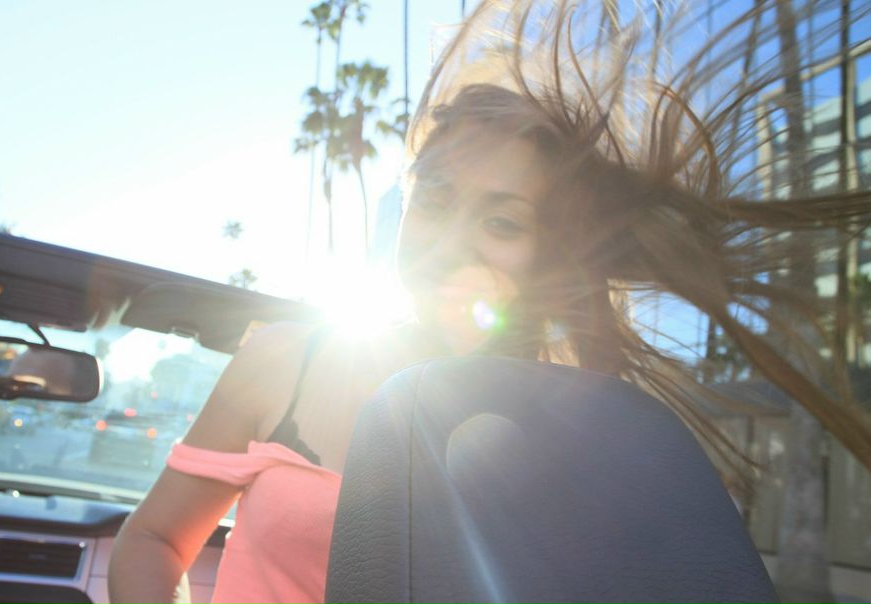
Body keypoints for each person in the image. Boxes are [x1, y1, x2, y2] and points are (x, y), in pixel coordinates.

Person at [109, 1, 871, 602]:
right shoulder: (287, 359)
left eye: (502, 222)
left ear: (546, 255)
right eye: (436, 198)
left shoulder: (576, 421)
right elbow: (153, 541)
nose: (449, 243)